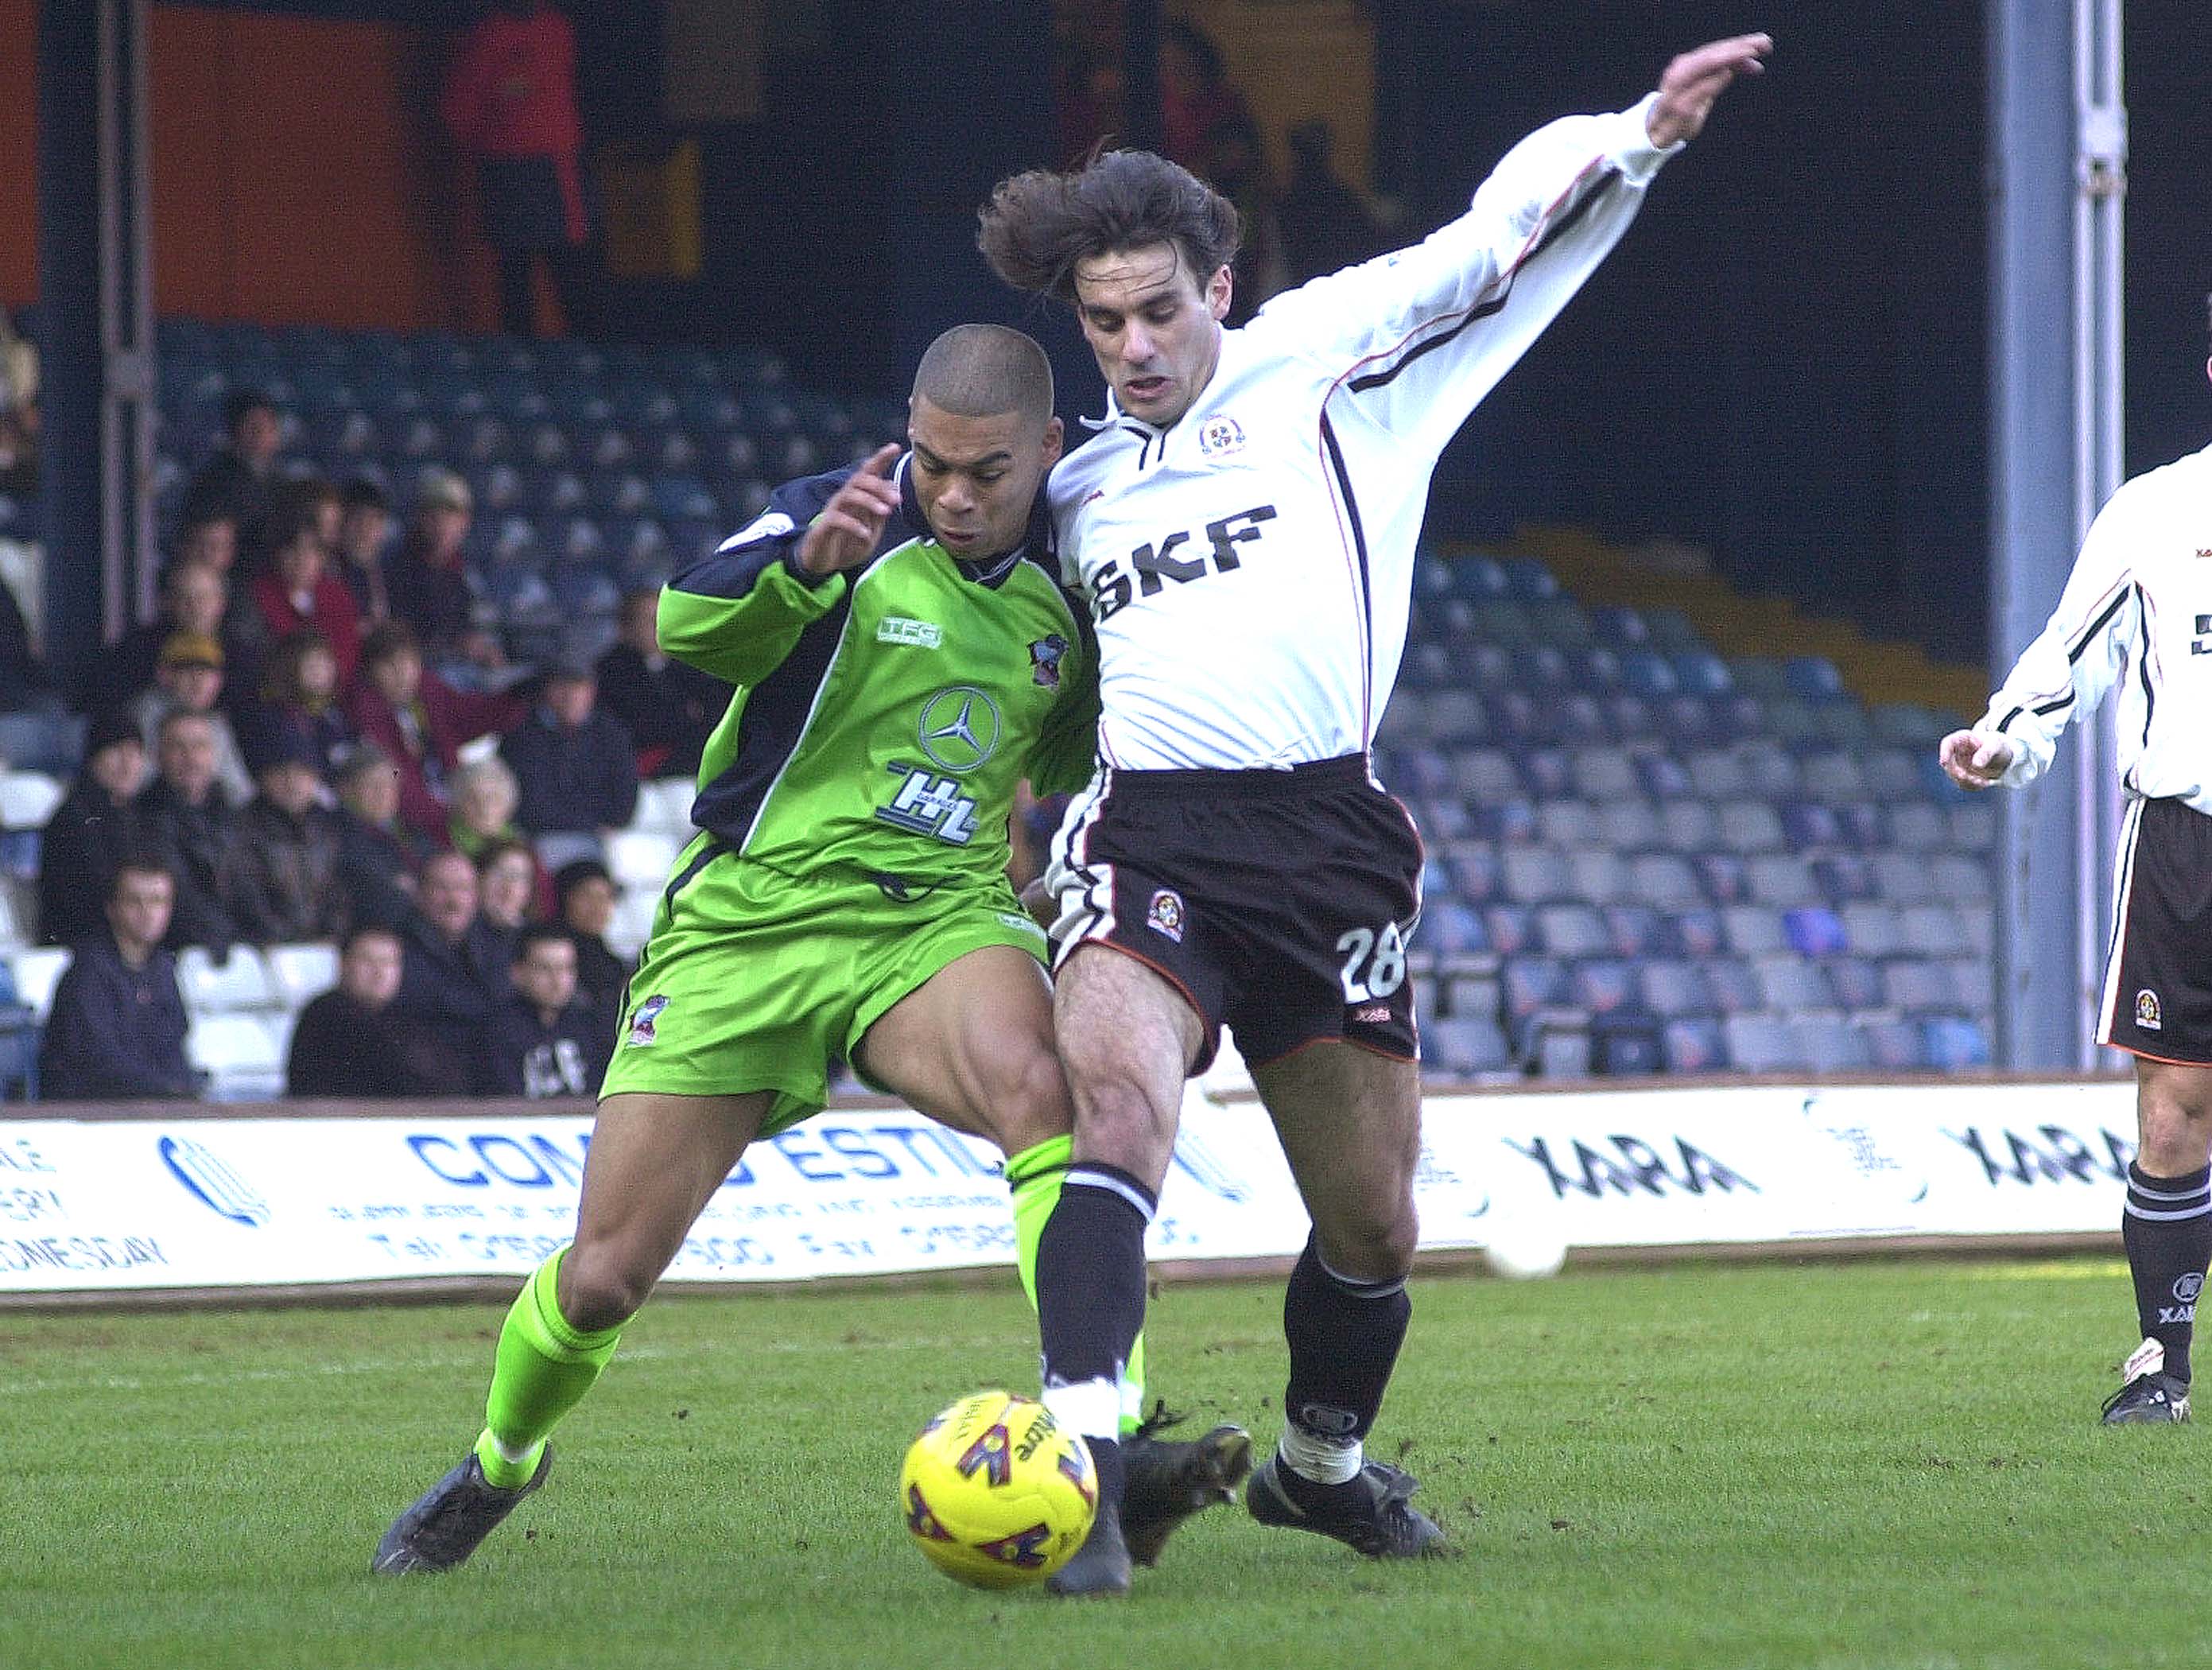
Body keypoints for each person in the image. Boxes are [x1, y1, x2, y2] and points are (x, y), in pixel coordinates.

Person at [976, 33, 1770, 1591]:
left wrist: (1637, 131)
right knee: (1116, 1113)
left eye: (1156, 310)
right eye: (1102, 321)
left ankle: (1318, 1472)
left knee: (1373, 1228)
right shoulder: (1074, 491)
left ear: (1219, 284)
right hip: (1146, 836)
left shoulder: (1328, 362)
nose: (1132, 346)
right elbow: (1019, 665)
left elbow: (1493, 236)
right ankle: (1084, 1473)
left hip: (1328, 843)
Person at [374, 324, 1246, 1577]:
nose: (951, 493)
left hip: (933, 917)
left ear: (1049, 450)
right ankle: (499, 1465)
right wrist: (801, 567)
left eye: (985, 472)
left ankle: (1098, 1448)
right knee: (603, 1280)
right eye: (933, 463)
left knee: (1051, 1095)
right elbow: (686, 623)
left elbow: (1069, 749)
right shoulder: (844, 519)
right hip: (751, 922)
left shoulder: (1076, 580)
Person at [1938, 348, 2212, 1425]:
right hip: (2185, 843)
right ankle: (2162, 1368)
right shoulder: (2155, 510)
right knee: (2173, 1112)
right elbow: (2071, 652)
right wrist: (2005, 737)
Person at [440, 0, 600, 339]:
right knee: (517, 270)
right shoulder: (490, 35)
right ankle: (524, 354)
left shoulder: (556, 29)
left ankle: (583, 353)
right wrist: (493, 142)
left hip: (554, 162)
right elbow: (458, 108)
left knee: (568, 267)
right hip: (510, 167)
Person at [347, 620, 528, 844]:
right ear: (370, 672)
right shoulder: (365, 711)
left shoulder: (427, 689)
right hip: (417, 823)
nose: (402, 673)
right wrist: (447, 818)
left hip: (454, 800)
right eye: (389, 665)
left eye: (408, 662)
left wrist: (516, 697)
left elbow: (469, 715)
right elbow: (398, 780)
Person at [37, 860, 199, 1101]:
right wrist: (168, 1088)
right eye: (135, 901)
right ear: (112, 908)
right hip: (90, 1110)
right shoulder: (87, 973)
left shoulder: (163, 968)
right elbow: (99, 1061)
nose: (147, 912)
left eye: (157, 901)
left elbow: (174, 1046)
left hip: (154, 1106)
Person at [388, 848, 508, 1094]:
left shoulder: (497, 944)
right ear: (420, 893)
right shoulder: (396, 946)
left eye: (463, 889)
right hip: (423, 1079)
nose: (453, 900)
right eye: (441, 888)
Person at [498, 658, 638, 865]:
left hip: (604, 838)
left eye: (579, 687)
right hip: (542, 838)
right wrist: (590, 823)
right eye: (562, 686)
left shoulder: (612, 734)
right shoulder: (522, 734)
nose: (571, 695)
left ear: (591, 691)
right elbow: (531, 806)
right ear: (548, 690)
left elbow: (624, 803)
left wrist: (596, 824)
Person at [137, 708, 254, 954]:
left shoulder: (235, 816)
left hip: (234, 944)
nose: (191, 758)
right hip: (180, 950)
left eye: (199, 746)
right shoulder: (144, 817)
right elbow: (180, 898)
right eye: (178, 747)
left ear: (214, 754)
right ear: (158, 755)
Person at [286, 924, 448, 1098]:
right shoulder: (325, 1014)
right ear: (344, 964)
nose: (379, 972)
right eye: (367, 961)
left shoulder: (408, 1014)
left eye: (388, 962)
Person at [37, 709, 149, 948]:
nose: (128, 764)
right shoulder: (73, 819)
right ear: (93, 758)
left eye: (135, 752)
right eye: (117, 751)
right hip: (85, 944)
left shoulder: (139, 815)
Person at [593, 588, 727, 779]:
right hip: (641, 775)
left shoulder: (688, 665)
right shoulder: (610, 672)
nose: (657, 625)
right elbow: (640, 725)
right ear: (626, 629)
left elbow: (713, 714)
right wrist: (685, 715)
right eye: (648, 620)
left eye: (662, 617)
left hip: (692, 770)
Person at [232, 726, 347, 946]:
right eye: (282, 772)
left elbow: (340, 896)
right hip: (267, 949)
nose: (292, 782)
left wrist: (330, 937)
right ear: (263, 777)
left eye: (302, 772)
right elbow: (249, 899)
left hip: (324, 950)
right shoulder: (242, 828)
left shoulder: (329, 829)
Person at [483, 923, 608, 1098]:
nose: (557, 981)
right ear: (518, 972)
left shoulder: (593, 1027)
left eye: (566, 968)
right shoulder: (495, 1032)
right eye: (544, 968)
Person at [130, 631, 253, 807]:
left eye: (207, 672)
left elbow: (239, 791)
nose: (198, 681)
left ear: (219, 680)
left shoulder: (215, 722)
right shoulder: (145, 714)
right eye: (187, 671)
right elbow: (137, 783)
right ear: (164, 675)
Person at [249, 500, 363, 686]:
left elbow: (348, 655)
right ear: (278, 554)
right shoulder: (259, 595)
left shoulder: (338, 597)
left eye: (312, 550)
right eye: (293, 550)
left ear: (323, 557)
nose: (302, 559)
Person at [331, 743, 431, 930]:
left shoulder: (410, 830)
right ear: (346, 789)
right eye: (372, 785)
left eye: (390, 784)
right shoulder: (337, 832)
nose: (384, 792)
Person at [244, 629, 356, 779]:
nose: (321, 671)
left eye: (325, 662)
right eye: (311, 664)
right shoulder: (276, 717)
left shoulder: (334, 713)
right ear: (289, 669)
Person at [178, 389, 282, 543]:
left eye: (268, 427)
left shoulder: (280, 483)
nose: (261, 435)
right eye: (254, 427)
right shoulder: (215, 484)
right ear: (234, 432)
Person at [552, 856, 629, 1036]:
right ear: (565, 898)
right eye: (587, 896)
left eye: (606, 897)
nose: (598, 906)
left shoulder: (613, 964)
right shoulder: (551, 952)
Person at [336, 477, 395, 623]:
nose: (364, 527)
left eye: (373, 519)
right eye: (357, 517)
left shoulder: (393, 575)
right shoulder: (327, 571)